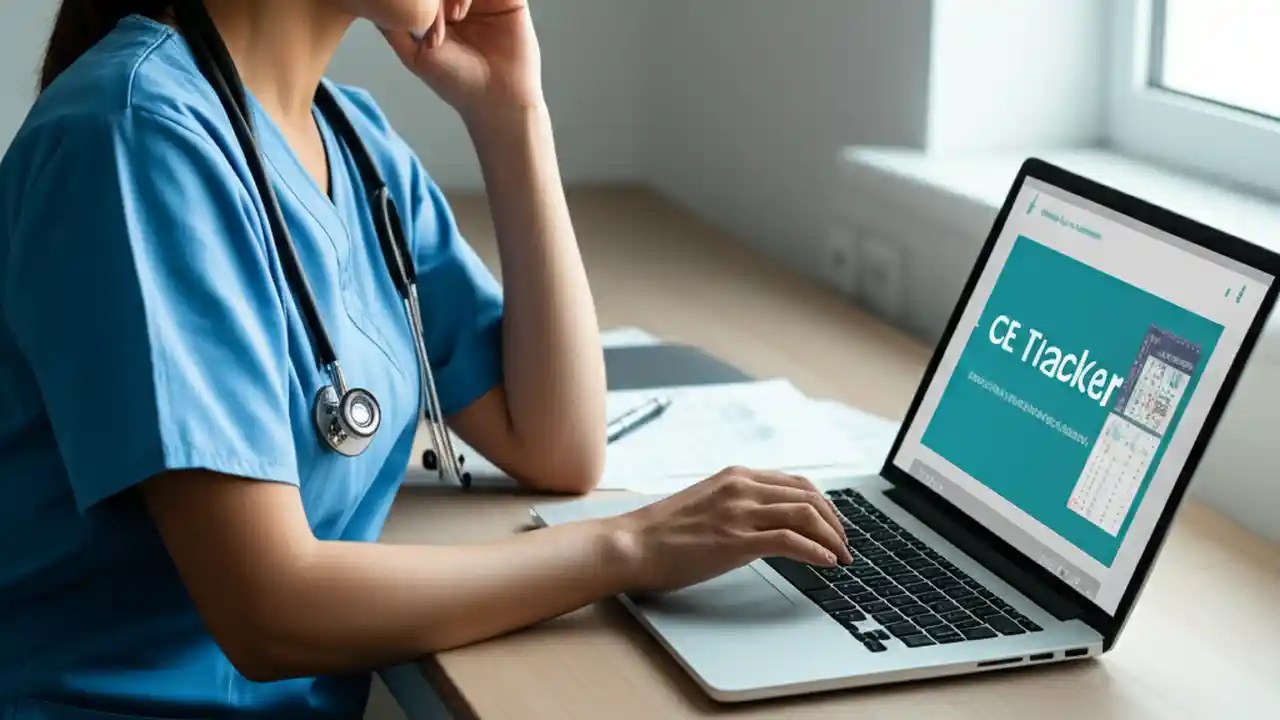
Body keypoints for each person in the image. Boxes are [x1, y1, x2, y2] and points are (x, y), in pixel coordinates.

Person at [0, 1, 852, 717]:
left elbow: (555, 443)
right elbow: (269, 610)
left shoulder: (354, 141)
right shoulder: (135, 138)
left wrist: (515, 118)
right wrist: (629, 546)